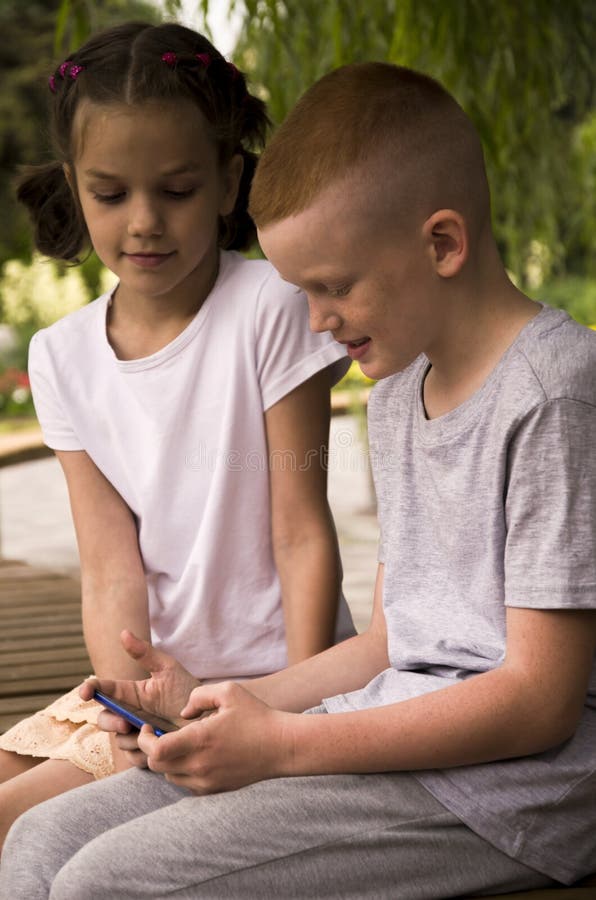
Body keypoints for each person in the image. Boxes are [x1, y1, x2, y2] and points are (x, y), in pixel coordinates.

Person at [2, 60, 596, 900]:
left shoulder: (554, 393)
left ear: (442, 243)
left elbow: (540, 702)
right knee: (39, 840)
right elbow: (394, 643)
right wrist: (224, 700)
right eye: (303, 292)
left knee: (101, 884)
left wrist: (283, 745)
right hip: (388, 729)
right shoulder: (398, 395)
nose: (316, 321)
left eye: (333, 288)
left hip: (506, 789)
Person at [0, 22, 354, 849]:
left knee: (16, 825)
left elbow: (301, 528)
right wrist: (126, 700)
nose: (145, 222)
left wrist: (294, 713)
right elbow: (108, 565)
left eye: (178, 190)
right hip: (147, 691)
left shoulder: (270, 310)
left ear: (230, 181)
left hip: (269, 685)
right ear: (74, 186)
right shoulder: (62, 356)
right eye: (111, 193)